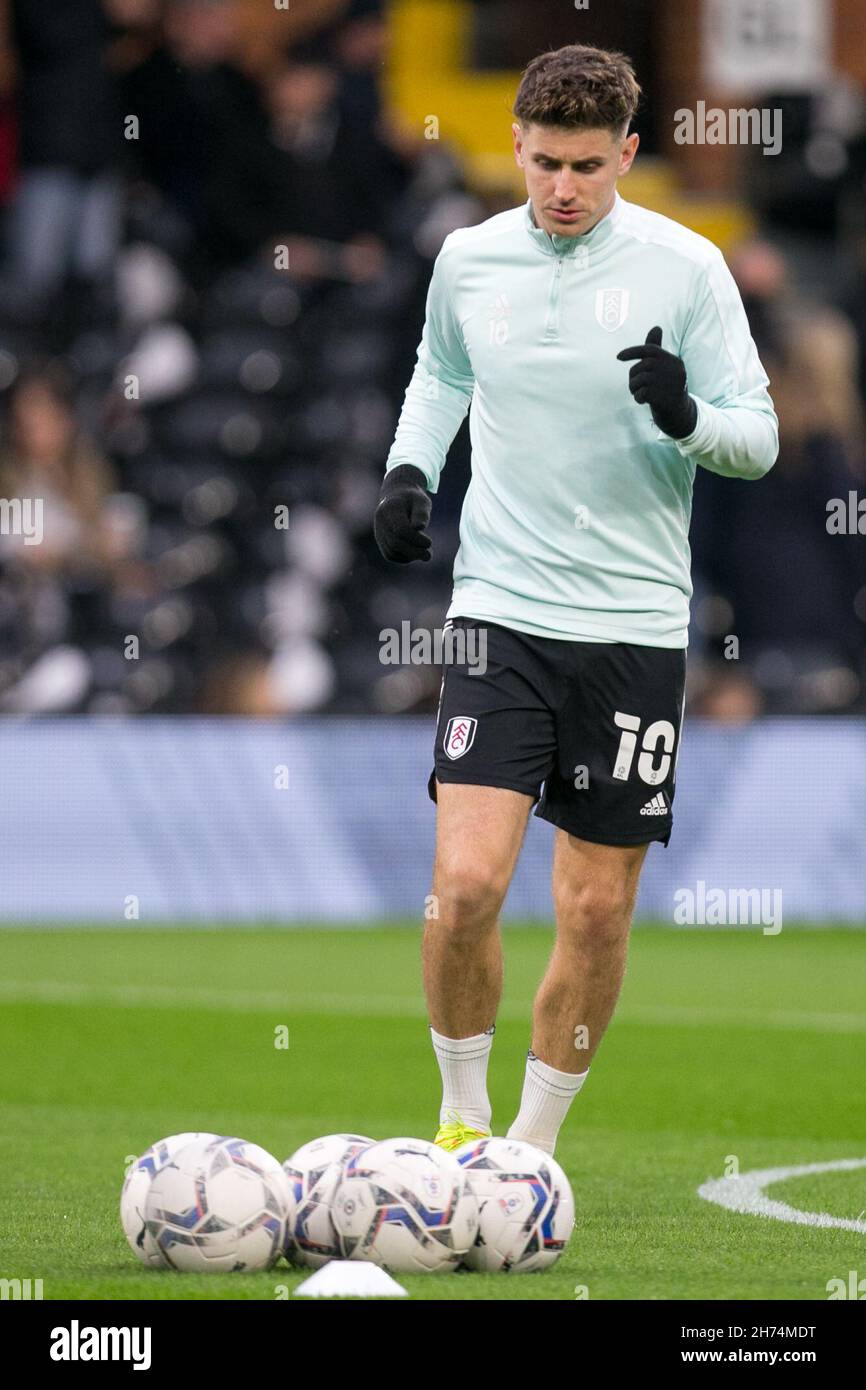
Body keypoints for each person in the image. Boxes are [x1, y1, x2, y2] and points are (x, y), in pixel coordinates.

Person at [373, 45, 779, 1155]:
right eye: (544, 162)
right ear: (512, 144)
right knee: (462, 886)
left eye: (587, 167)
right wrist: (411, 470)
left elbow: (758, 437)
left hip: (633, 626)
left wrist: (684, 413)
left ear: (627, 156)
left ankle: (531, 1154)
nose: (562, 188)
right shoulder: (466, 258)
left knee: (594, 909)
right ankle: (462, 1125)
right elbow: (441, 373)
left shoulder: (687, 268)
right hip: (501, 607)